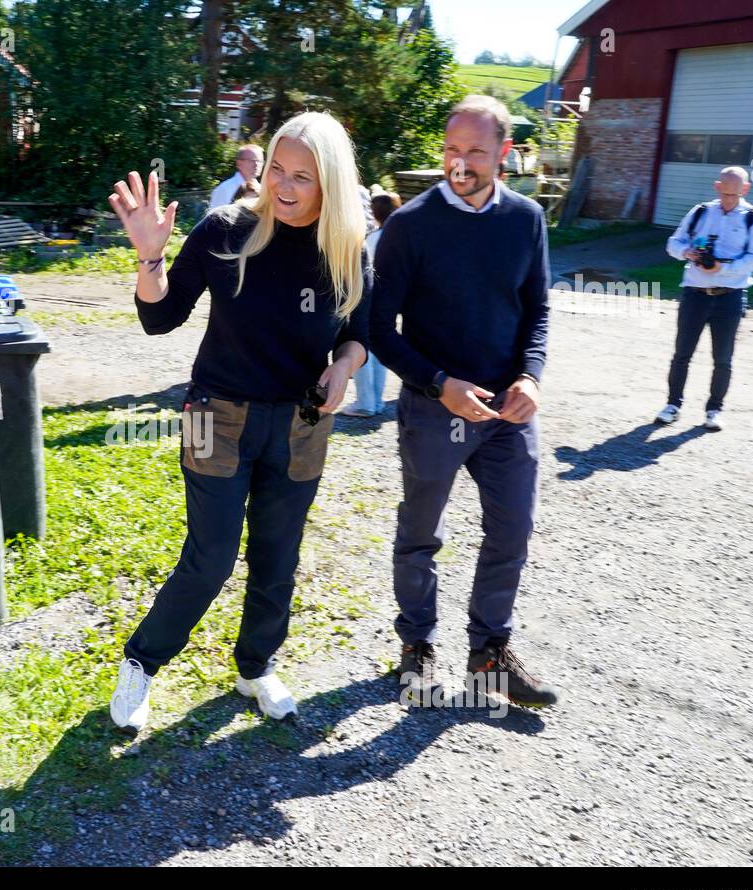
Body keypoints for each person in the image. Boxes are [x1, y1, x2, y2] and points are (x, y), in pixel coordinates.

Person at [105, 112, 372, 733]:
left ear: (329, 182)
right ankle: (141, 663)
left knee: (279, 555)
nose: (282, 183)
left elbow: (360, 330)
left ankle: (256, 667)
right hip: (212, 415)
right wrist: (150, 257)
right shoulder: (226, 229)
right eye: (277, 167)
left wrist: (346, 365)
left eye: (301, 176)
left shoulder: (346, 247)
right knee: (212, 556)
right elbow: (159, 317)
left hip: (301, 422)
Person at [370, 95, 558, 708]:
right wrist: (438, 384)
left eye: (475, 151)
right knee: (421, 532)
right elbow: (378, 329)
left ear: (505, 153)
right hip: (434, 407)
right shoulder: (410, 225)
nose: (461, 162)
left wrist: (530, 376)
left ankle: (488, 656)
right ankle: (417, 648)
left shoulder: (526, 219)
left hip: (507, 410)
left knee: (513, 530)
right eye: (452, 150)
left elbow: (537, 310)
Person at [655, 166, 753, 432]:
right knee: (682, 354)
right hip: (695, 294)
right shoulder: (700, 212)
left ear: (745, 190)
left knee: (723, 358)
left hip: (730, 296)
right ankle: (673, 405)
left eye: (734, 194)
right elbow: (673, 243)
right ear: (717, 186)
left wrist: (722, 269)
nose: (728, 199)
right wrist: (688, 252)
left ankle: (714, 409)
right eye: (725, 193)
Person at [340, 188, 401, 417]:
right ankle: (376, 399)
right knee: (379, 347)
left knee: (362, 346)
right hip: (389, 300)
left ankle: (366, 401)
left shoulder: (372, 239)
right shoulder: (395, 236)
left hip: (370, 298)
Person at [209, 144, 264, 209]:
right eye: (252, 160)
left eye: (260, 161)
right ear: (239, 163)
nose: (256, 164)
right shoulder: (224, 189)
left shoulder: (262, 189)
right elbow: (215, 218)